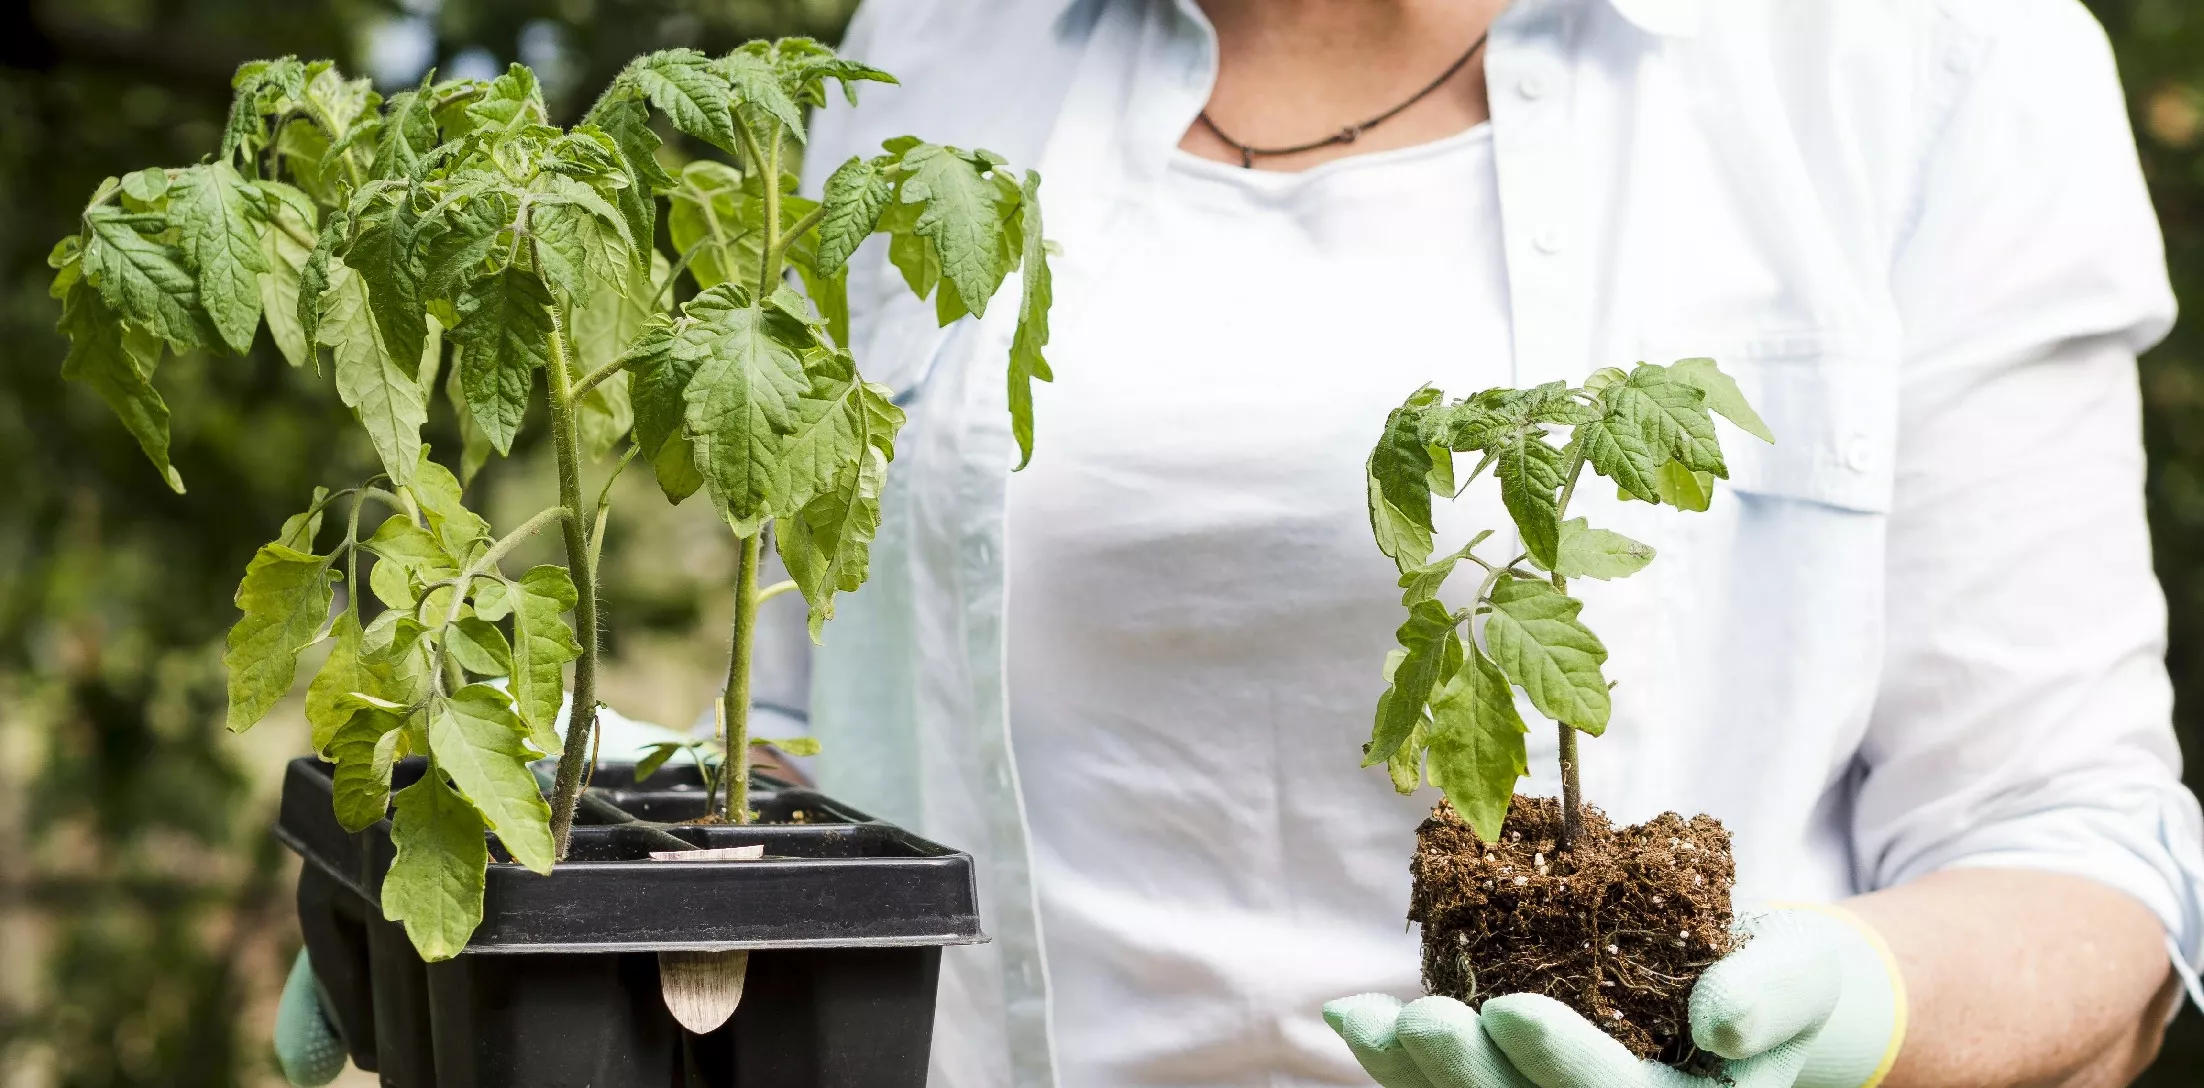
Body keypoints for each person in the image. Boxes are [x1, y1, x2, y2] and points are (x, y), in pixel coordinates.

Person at [779, 0, 2204, 1087]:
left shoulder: (1918, 52)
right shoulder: (934, 40)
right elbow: (795, 737)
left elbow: (2079, 855)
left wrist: (1854, 1007)